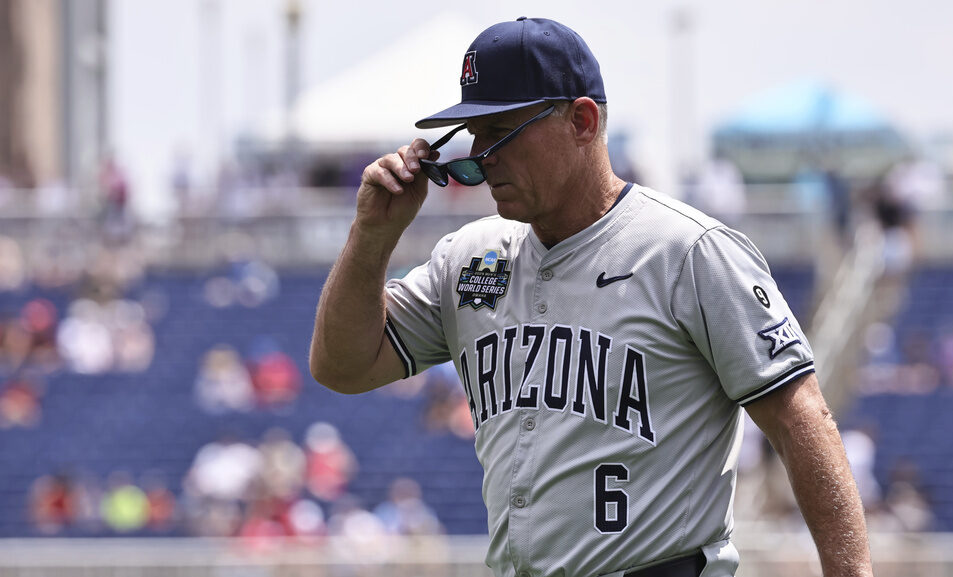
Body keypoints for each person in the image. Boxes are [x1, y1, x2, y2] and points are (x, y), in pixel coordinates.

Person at [309, 17, 872, 577]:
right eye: (473, 137)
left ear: (582, 120)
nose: (483, 158)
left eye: (500, 131)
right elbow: (342, 366)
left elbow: (801, 419)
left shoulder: (687, 251)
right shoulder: (469, 258)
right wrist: (372, 237)